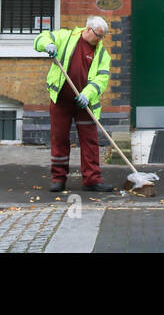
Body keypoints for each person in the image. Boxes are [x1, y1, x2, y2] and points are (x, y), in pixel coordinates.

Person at [33, 16, 114, 193]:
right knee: (59, 138)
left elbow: (101, 79)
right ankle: (58, 179)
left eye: (102, 37)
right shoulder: (66, 37)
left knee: (90, 141)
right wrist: (47, 45)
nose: (99, 40)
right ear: (88, 29)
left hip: (85, 104)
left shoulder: (102, 54)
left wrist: (87, 94)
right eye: (98, 36)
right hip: (61, 100)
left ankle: (92, 179)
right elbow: (40, 38)